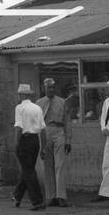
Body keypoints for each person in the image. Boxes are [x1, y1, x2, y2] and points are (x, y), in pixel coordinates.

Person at [36, 77, 71, 207]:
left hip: (59, 131)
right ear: (44, 88)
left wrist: (68, 140)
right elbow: (37, 123)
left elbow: (67, 122)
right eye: (48, 87)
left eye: (52, 87)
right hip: (45, 131)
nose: (50, 89)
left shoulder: (62, 102)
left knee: (60, 165)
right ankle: (50, 196)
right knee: (48, 166)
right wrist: (39, 143)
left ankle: (61, 196)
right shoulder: (39, 103)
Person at [12, 84, 45, 210]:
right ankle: (17, 196)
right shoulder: (37, 108)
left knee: (29, 171)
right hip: (35, 140)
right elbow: (43, 129)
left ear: (21, 95)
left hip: (25, 140)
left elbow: (18, 128)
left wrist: (16, 143)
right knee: (28, 169)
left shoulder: (19, 108)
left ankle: (37, 200)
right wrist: (43, 147)